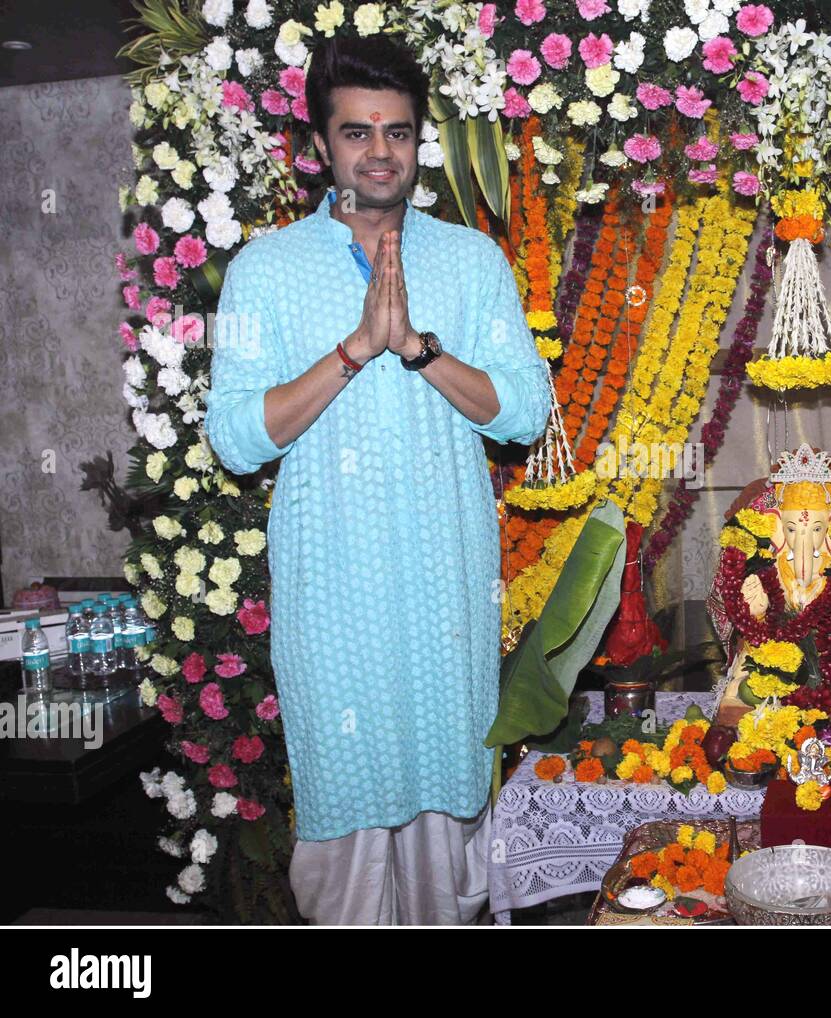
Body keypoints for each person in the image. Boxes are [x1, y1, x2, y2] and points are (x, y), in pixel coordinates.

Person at [204, 34, 550, 924]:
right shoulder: (265, 271)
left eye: (397, 131)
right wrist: (355, 351)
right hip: (334, 597)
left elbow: (523, 413)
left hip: (443, 591)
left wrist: (417, 348)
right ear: (321, 144)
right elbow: (239, 437)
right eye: (357, 133)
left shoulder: (472, 261)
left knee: (448, 832)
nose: (380, 152)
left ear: (418, 139)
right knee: (345, 836)